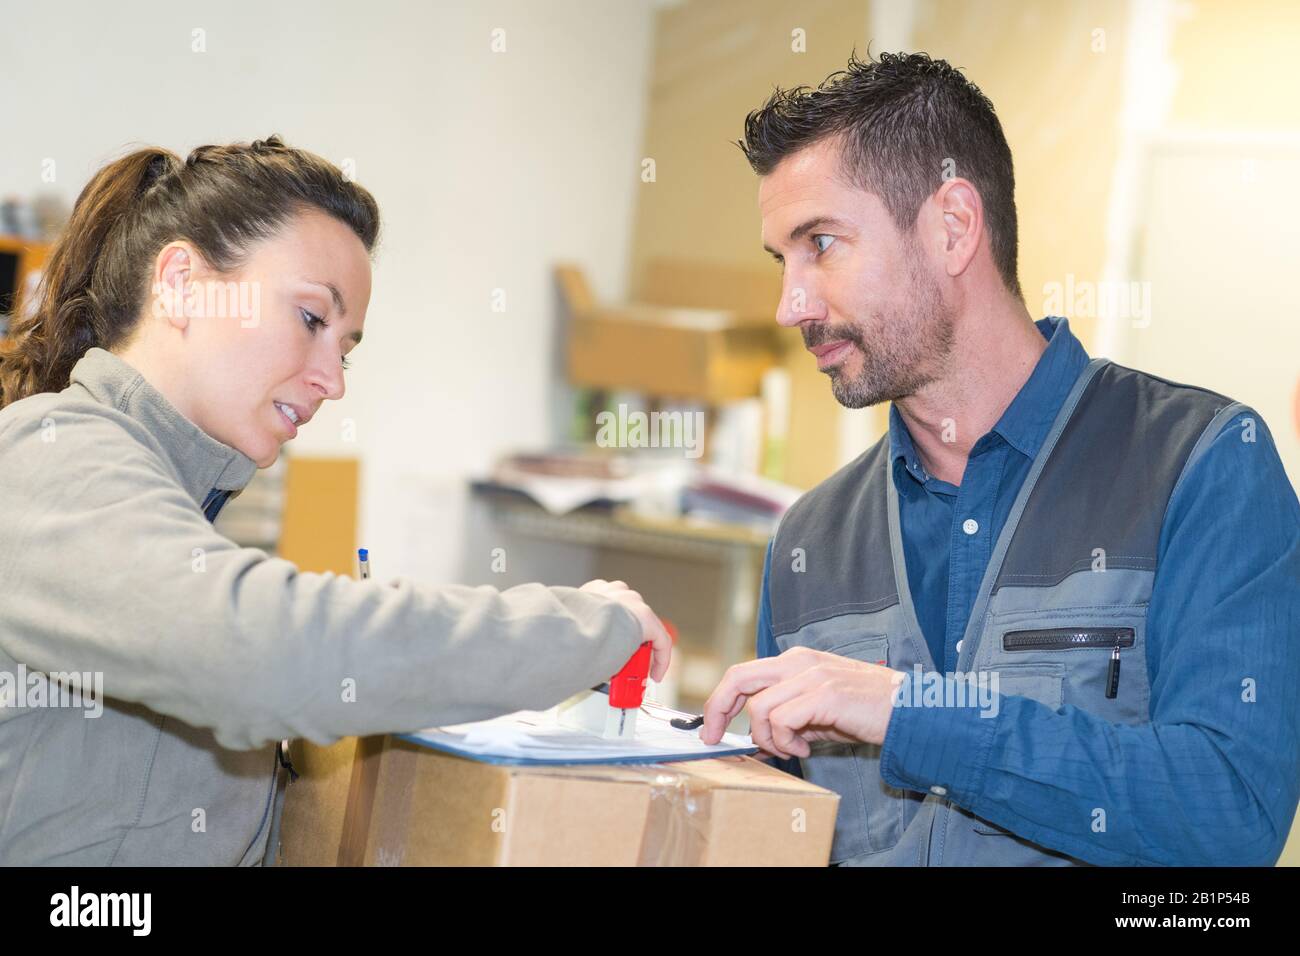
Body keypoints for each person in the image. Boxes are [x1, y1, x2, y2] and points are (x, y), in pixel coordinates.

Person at [0, 137, 671, 865]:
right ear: (182, 285)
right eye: (312, 320)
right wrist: (583, 629)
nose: (333, 379)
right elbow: (261, 649)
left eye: (345, 349)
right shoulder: (47, 452)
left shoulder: (182, 508)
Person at [700, 52, 1300, 866]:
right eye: (784, 261)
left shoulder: (1203, 466)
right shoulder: (807, 541)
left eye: (823, 244)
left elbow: (1230, 814)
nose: (791, 304)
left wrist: (911, 715)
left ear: (953, 227)